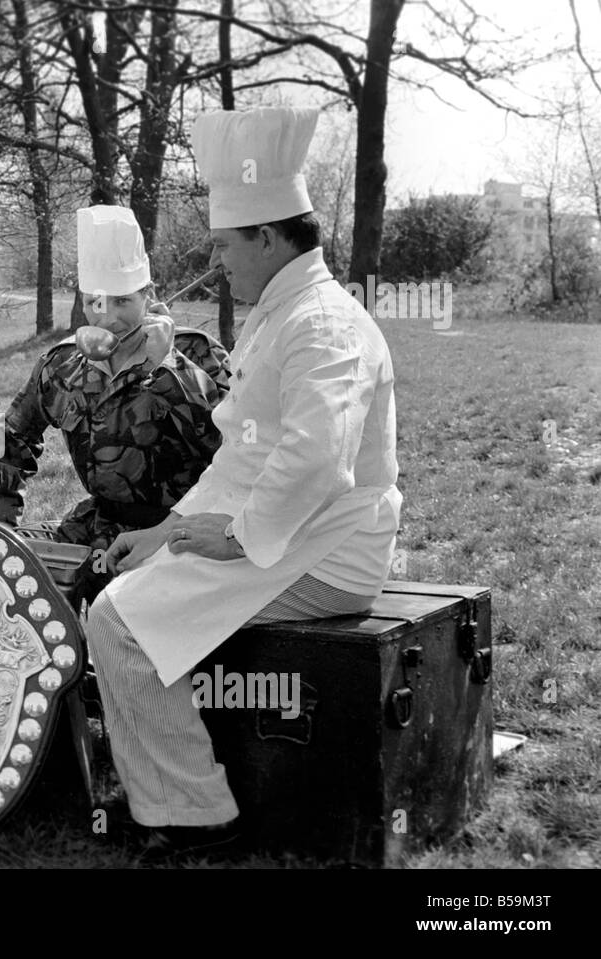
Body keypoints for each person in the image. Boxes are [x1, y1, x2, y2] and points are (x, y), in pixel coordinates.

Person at [86, 107, 403, 863]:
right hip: (286, 535)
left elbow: (315, 460)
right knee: (126, 593)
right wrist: (168, 532)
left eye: (227, 244)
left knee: (120, 619)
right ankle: (171, 789)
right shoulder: (282, 312)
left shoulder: (322, 324)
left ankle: (196, 812)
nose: (218, 258)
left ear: (267, 236)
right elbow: (242, 461)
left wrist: (231, 538)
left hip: (328, 550)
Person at [0, 205, 230, 607]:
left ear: (150, 296)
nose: (107, 318)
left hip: (178, 534)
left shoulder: (198, 353)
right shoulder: (63, 365)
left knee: (134, 634)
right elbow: (11, 437)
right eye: (95, 302)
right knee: (4, 579)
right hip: (98, 524)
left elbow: (234, 446)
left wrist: (168, 366)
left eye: (123, 301)